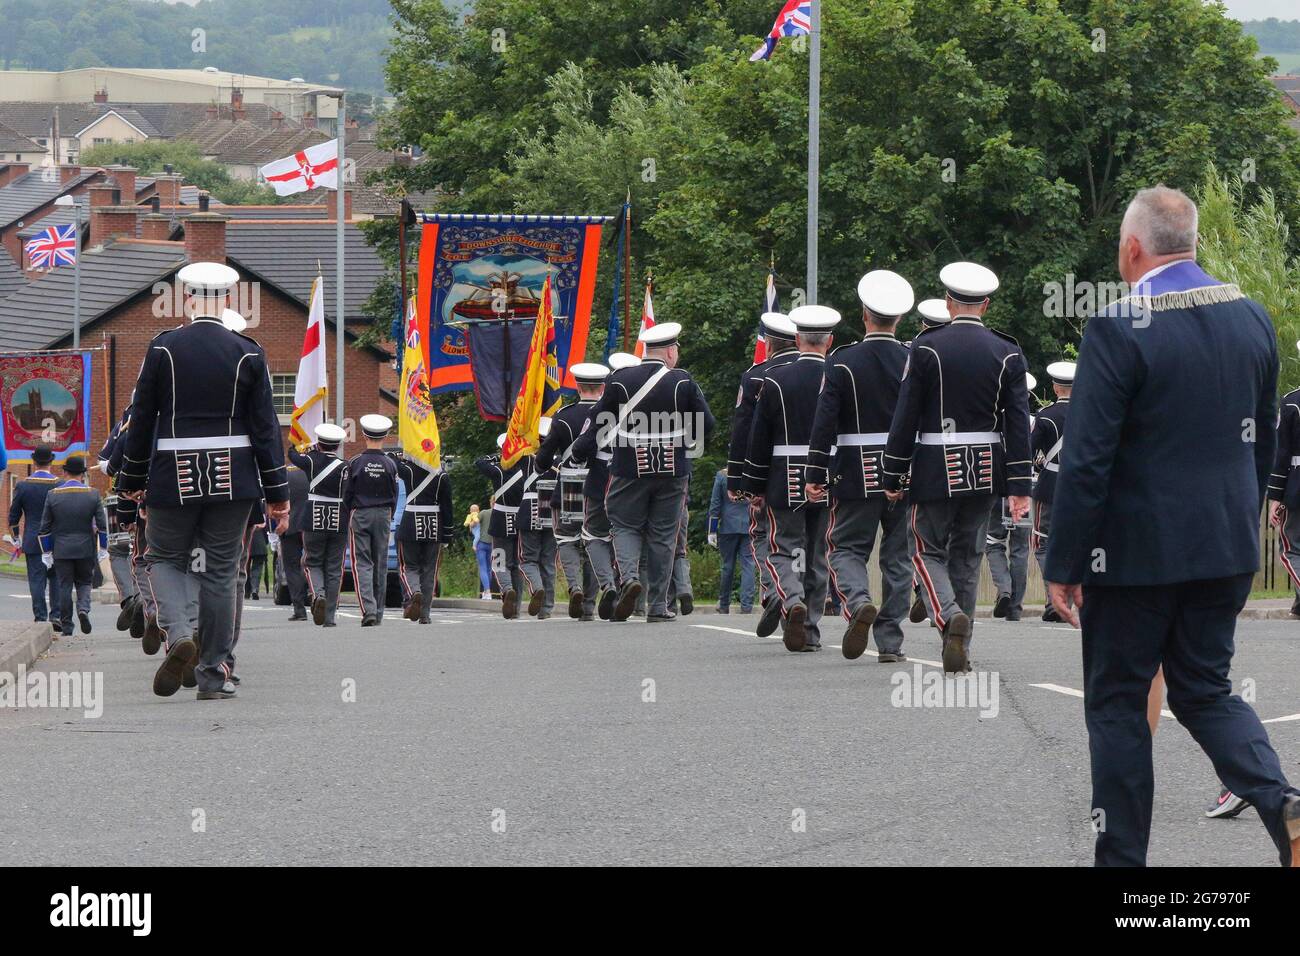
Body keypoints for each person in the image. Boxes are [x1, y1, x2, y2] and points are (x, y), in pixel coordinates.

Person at [1044, 184, 1300, 867]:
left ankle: (1122, 865)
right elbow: (1263, 440)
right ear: (1192, 242)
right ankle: (1281, 801)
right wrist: (1239, 523)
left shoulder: (1116, 325)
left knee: (1119, 704)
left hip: (1134, 556)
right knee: (1205, 690)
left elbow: (1087, 460)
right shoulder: (1253, 318)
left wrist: (1065, 561)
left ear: (1133, 248)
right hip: (1224, 547)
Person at [117, 261, 288, 701]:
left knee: (163, 558)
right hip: (234, 475)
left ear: (188, 299)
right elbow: (265, 427)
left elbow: (142, 417)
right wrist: (277, 493)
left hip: (172, 471)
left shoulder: (163, 348)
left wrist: (132, 476)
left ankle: (179, 634)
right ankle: (213, 673)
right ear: (228, 300)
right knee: (221, 572)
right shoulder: (249, 352)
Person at [882, 262, 1031, 673]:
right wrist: (1020, 485)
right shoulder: (1008, 351)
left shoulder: (926, 347)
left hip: (934, 465)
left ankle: (949, 616)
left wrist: (893, 473)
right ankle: (960, 646)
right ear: (985, 305)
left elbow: (905, 416)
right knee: (967, 556)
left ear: (948, 303)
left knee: (924, 550)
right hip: (986, 468)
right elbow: (1018, 423)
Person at [573, 322, 715, 622]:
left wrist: (579, 451)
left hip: (629, 466)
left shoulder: (621, 380)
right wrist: (686, 442)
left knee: (624, 525)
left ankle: (629, 579)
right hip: (673, 469)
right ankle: (659, 606)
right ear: (670, 352)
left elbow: (598, 422)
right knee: (664, 535)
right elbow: (708, 424)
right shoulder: (682, 381)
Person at [806, 271, 913, 662]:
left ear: (864, 314)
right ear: (898, 318)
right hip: (906, 470)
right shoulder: (913, 358)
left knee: (846, 548)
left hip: (855, 470)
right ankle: (891, 642)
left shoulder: (842, 361)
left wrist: (814, 473)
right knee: (898, 558)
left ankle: (858, 601)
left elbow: (824, 423)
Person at [745, 305, 840, 651]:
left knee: (783, 548)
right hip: (827, 473)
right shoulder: (839, 376)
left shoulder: (775, 379)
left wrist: (754, 486)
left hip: (783, 475)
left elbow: (759, 438)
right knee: (817, 553)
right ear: (830, 341)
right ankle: (810, 629)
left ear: (798, 339)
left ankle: (792, 598)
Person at [728, 312, 799, 637]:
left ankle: (775, 589)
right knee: (806, 539)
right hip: (816, 469)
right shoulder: (822, 368)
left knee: (762, 534)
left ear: (768, 343)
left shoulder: (756, 376)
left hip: (769, 472)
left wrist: (739, 479)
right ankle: (797, 595)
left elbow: (743, 430)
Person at [536, 362, 607, 620]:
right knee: (596, 541)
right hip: (599, 486)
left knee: (566, 539)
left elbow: (544, 457)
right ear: (603, 387)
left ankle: (574, 586)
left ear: (578, 386)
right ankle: (588, 605)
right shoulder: (610, 415)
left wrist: (541, 463)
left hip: (569, 485)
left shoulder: (564, 416)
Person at [984, 370, 1038, 622]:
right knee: (1020, 548)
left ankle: (1004, 588)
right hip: (1024, 489)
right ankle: (1015, 607)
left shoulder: (993, 419)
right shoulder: (1035, 422)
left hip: (998, 489)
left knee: (993, 542)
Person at [37, 454, 107, 637]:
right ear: (82, 474)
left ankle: (67, 626)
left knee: (64, 586)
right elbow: (102, 525)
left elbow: (44, 528)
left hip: (61, 548)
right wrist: (103, 548)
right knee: (84, 582)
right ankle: (83, 608)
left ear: (65, 472)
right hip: (85, 547)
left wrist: (46, 552)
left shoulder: (53, 495)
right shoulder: (93, 494)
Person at [290, 422, 349, 628]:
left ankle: (318, 594)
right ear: (338, 445)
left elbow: (292, 454)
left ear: (319, 443)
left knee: (312, 562)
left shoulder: (311, 460)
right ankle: (330, 616)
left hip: (314, 515)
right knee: (334, 568)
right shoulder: (345, 466)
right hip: (338, 517)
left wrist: (302, 445)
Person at [1031, 360, 1074, 622]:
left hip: (1049, 486)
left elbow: (1028, 448)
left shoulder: (1045, 415)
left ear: (1056, 388)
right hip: (1080, 488)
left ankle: (1053, 601)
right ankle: (1067, 601)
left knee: (1043, 543)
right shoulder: (1089, 413)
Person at [345, 414, 398, 627]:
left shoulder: (355, 462)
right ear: (384, 436)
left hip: (361, 513)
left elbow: (347, 494)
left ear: (365, 436)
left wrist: (349, 513)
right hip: (384, 514)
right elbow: (394, 493)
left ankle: (369, 609)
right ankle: (379, 612)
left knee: (363, 563)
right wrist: (389, 513)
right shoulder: (390, 464)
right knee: (380, 563)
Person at [394, 450, 453, 624]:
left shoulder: (408, 470)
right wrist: (447, 534)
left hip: (410, 523)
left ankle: (414, 592)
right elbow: (447, 507)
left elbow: (391, 461)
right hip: (434, 525)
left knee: (408, 566)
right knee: (429, 570)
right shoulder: (442, 476)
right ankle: (425, 614)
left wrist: (401, 455)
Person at [476, 433, 527, 619]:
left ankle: (506, 589)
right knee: (517, 565)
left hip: (500, 520)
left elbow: (480, 462)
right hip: (521, 519)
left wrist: (498, 456)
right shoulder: (525, 470)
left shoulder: (498, 470)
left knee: (499, 561)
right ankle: (516, 608)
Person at [8, 445, 61, 627]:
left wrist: (17, 538)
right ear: (51, 462)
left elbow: (13, 517)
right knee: (56, 579)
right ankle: (56, 616)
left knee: (37, 580)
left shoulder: (23, 486)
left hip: (33, 538)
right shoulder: (59, 485)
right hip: (55, 539)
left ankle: (40, 617)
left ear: (34, 461)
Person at [517, 419, 558, 619]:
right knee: (548, 562)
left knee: (528, 560)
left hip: (530, 510)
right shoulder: (558, 460)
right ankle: (547, 608)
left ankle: (536, 587)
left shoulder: (524, 458)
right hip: (551, 510)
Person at [707, 468, 754, 614]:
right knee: (748, 565)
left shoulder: (722, 475)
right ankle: (747, 606)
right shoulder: (751, 472)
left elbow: (715, 504)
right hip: (749, 525)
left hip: (728, 526)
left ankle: (724, 604)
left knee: (727, 566)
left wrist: (712, 530)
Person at [280, 456, 310, 621]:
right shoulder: (313, 472)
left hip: (289, 524)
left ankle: (299, 609)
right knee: (314, 564)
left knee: (291, 568)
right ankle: (317, 596)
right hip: (311, 525)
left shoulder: (284, 474)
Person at [465, 504, 492, 599]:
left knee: (483, 568)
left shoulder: (483, 513)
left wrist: (470, 524)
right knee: (489, 568)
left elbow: (472, 524)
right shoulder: (496, 513)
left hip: (481, 544)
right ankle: (486, 591)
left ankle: (487, 592)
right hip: (491, 543)